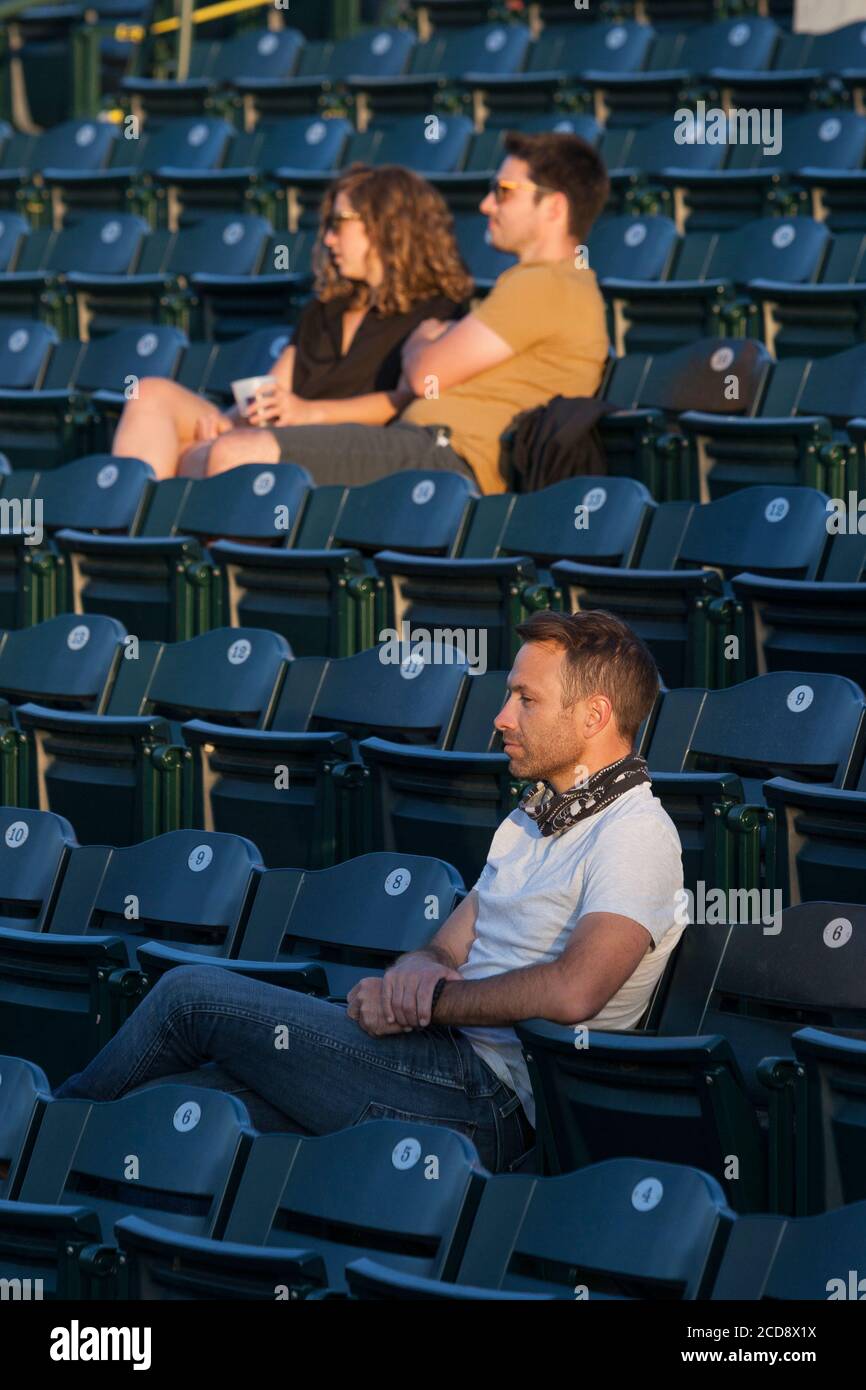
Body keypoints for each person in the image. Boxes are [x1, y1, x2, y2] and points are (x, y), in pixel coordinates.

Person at [54, 610, 686, 1175]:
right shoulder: (533, 814)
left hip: (488, 1103)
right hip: (430, 1059)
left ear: (595, 714)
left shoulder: (635, 835)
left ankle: (28, 1149)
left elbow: (576, 992)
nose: (501, 718)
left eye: (527, 699)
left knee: (188, 994)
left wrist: (429, 1004)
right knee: (193, 1103)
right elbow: (448, 947)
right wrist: (413, 976)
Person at [200, 130, 611, 492]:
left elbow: (425, 376)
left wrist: (421, 339)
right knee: (213, 451)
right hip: (422, 447)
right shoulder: (540, 284)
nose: (486, 205)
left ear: (554, 208)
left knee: (238, 455)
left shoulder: (549, 284)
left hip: (447, 458)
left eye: (503, 191)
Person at [110, 164, 474, 481]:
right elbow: (272, 388)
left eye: (339, 224)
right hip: (276, 434)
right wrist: (228, 422)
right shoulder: (326, 308)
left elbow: (407, 400)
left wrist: (309, 412)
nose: (329, 239)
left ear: (386, 226)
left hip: (347, 448)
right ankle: (140, 529)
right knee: (150, 393)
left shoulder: (438, 309)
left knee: (214, 454)